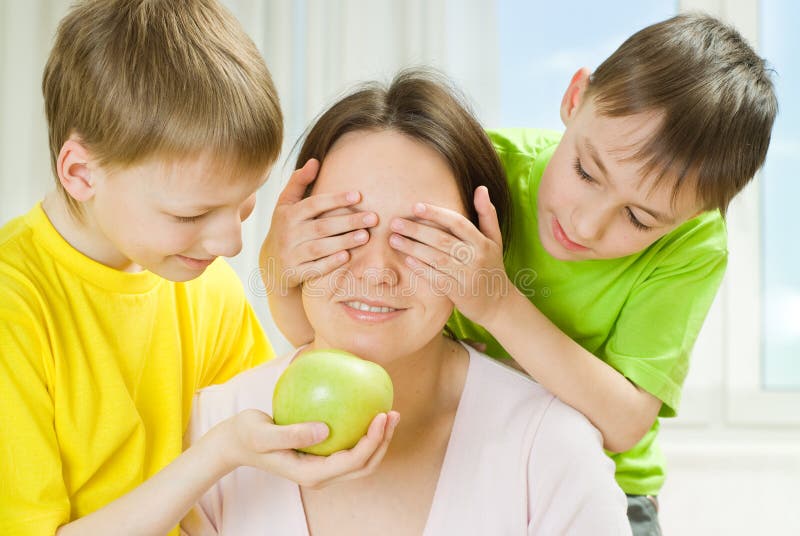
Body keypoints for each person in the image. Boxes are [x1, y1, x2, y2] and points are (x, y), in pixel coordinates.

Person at [260, 14, 777, 534]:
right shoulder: (487, 170)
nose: (586, 222)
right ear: (575, 98)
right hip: (461, 451)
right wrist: (278, 262)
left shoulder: (692, 245)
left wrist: (497, 304)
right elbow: (312, 329)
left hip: (606, 482)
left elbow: (623, 423)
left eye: (639, 218)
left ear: (692, 216)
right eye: (585, 172)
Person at [0, 2, 393, 534]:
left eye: (245, 202)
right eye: (191, 213)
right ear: (80, 172)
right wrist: (222, 452)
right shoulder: (15, 305)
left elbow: (263, 415)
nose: (230, 242)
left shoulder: (205, 285)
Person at [183, 69, 631, 535]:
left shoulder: (548, 448)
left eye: (422, 238)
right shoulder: (213, 429)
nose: (377, 270)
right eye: (343, 227)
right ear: (288, 232)